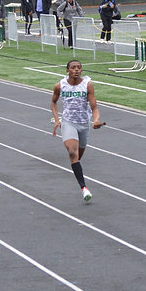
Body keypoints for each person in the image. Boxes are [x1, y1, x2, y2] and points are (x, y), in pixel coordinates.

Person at [50, 59, 102, 204]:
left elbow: (94, 107)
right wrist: (57, 120)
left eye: (79, 67)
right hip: (68, 122)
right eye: (73, 68)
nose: (77, 70)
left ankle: (76, 169)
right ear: (67, 70)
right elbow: (53, 102)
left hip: (84, 124)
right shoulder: (60, 85)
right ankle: (84, 188)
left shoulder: (88, 85)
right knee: (72, 152)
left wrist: (96, 120)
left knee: (77, 157)